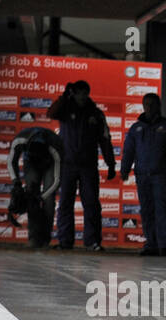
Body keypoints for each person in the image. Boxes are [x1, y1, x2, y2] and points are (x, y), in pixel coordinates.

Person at [46, 79, 117, 251]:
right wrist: (64, 96)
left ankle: (92, 241)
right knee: (65, 203)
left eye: (86, 93)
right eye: (79, 93)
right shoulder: (65, 109)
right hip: (67, 164)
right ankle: (65, 241)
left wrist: (111, 163)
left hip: (88, 166)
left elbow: (105, 139)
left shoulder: (96, 114)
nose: (83, 96)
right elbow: (51, 113)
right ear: (74, 93)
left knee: (91, 202)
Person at [120, 93, 166, 256]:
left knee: (161, 208)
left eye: (152, 104)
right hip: (142, 175)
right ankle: (151, 243)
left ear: (158, 106)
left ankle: (165, 243)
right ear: (143, 105)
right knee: (146, 210)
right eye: (146, 104)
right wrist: (125, 169)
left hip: (160, 174)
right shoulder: (136, 128)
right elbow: (129, 150)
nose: (149, 107)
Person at [7, 125, 63, 248]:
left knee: (48, 200)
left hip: (50, 163)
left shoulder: (56, 147)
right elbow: (11, 161)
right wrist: (16, 182)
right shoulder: (19, 141)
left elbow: (56, 181)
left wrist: (42, 197)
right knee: (31, 196)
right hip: (30, 163)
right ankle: (34, 238)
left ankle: (45, 239)